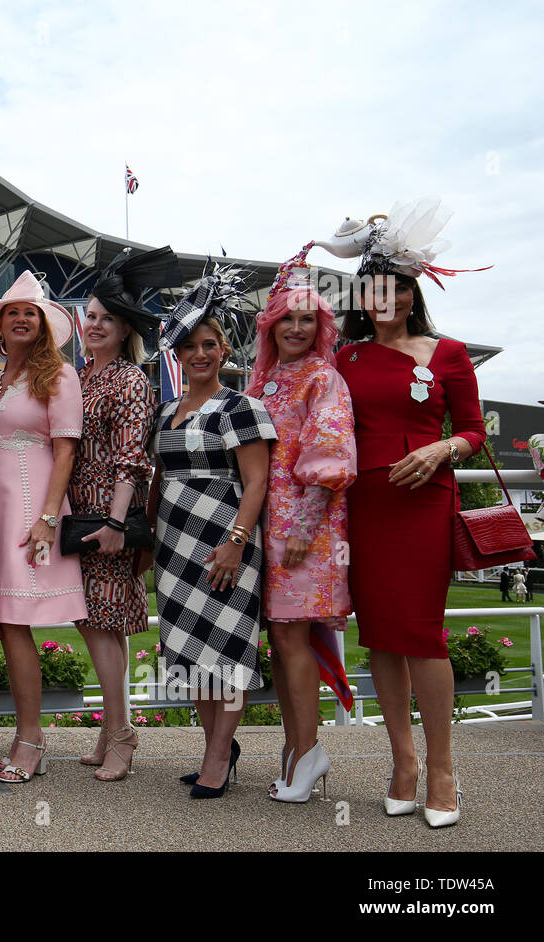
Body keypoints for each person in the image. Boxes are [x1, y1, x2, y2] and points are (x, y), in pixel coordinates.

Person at [333, 199, 488, 828]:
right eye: (374, 291)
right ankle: (402, 763)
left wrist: (441, 448)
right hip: (363, 503)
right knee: (380, 638)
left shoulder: (449, 353)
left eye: (396, 290)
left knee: (421, 633)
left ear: (412, 291)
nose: (386, 301)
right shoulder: (345, 359)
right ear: (362, 299)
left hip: (425, 500)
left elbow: (474, 432)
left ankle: (443, 766)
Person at [148, 269, 277, 799]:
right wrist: (143, 545)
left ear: (224, 349)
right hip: (172, 546)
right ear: (177, 354)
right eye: (189, 346)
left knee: (223, 648)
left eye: (210, 344)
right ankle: (215, 747)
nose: (200, 354)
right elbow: (157, 479)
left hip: (226, 540)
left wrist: (236, 541)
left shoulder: (241, 407)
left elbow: (257, 481)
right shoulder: (164, 411)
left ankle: (219, 756)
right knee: (189, 650)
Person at [245, 246, 357, 802]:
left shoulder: (324, 379)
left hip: (304, 535)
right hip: (265, 531)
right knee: (283, 638)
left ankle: (307, 754)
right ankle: (298, 751)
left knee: (294, 636)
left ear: (321, 325)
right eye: (286, 317)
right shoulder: (264, 381)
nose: (295, 327)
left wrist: (302, 531)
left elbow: (329, 460)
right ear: (271, 324)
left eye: (306, 318)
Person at [0, 270, 86, 783]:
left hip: (29, 507)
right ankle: (23, 735)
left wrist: (48, 519)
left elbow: (66, 451)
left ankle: (31, 739)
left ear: (42, 326)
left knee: (16, 623)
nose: (19, 319)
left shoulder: (59, 377)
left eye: (29, 313)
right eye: (12, 312)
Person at [69, 247, 180, 782]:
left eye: (105, 319)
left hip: (108, 515)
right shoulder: (84, 375)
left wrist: (116, 523)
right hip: (80, 512)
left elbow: (133, 455)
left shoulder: (130, 380)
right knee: (93, 621)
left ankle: (122, 735)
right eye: (89, 316)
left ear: (124, 327)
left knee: (103, 623)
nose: (93, 325)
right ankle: (111, 728)